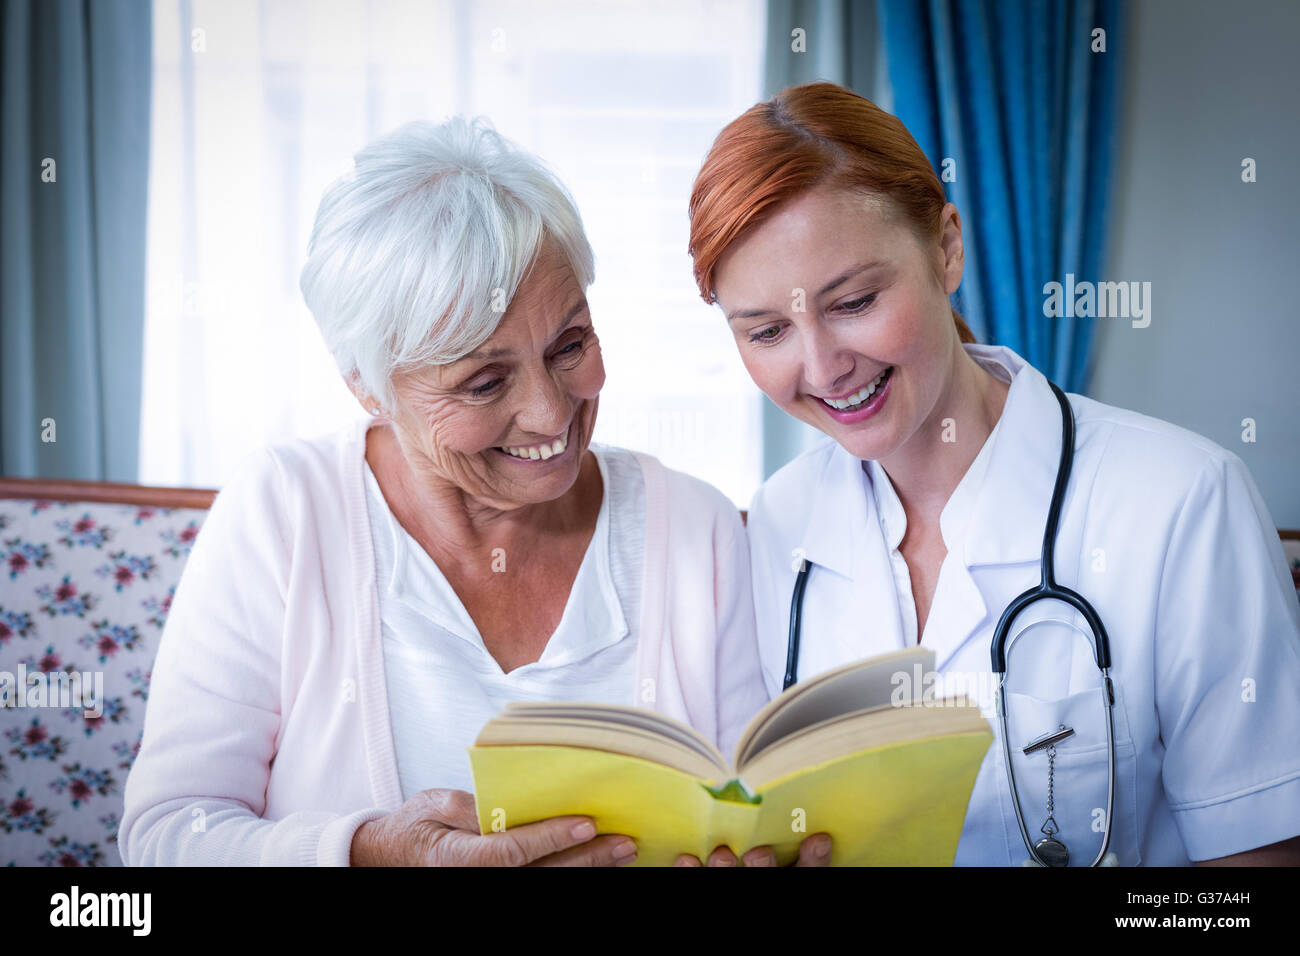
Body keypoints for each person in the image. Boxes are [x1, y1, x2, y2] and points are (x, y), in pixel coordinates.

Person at [119, 116, 828, 866]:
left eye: (570, 346)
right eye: (484, 382)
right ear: (368, 386)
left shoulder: (696, 527)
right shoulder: (284, 512)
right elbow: (168, 835)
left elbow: (755, 812)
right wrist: (367, 854)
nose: (551, 413)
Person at [685, 81, 1300, 866]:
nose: (823, 367)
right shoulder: (780, 523)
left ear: (946, 247)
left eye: (855, 302)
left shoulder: (1182, 502)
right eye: (767, 331)